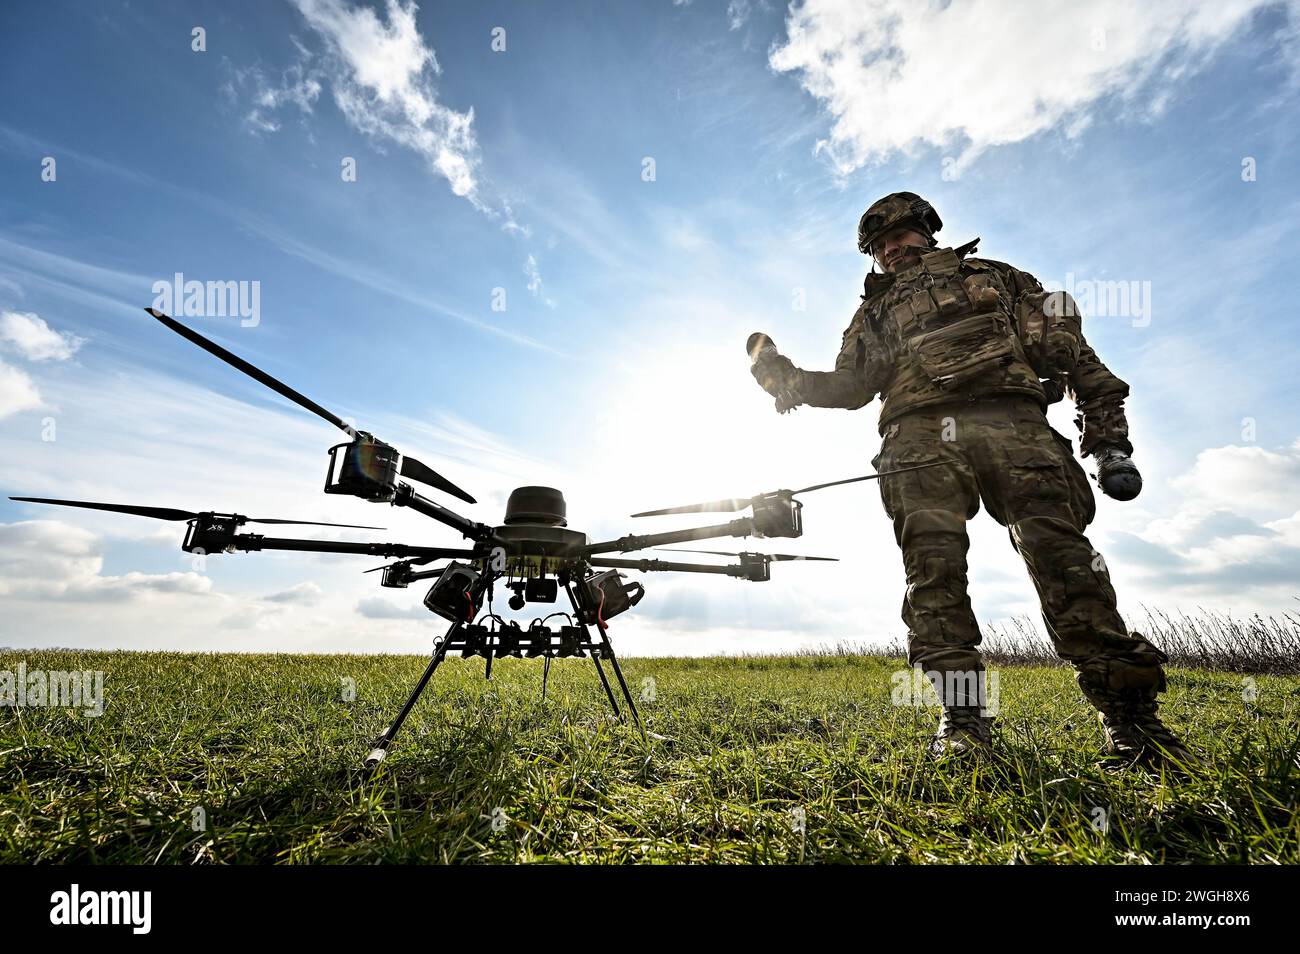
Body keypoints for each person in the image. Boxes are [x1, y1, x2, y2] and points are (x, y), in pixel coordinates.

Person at [749, 192, 1194, 767]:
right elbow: (851, 387)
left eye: (902, 236)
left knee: (1065, 560)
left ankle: (1133, 723)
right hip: (919, 438)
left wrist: (1108, 440)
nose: (892, 249)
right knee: (932, 575)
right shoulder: (874, 313)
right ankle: (963, 723)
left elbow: (1075, 355)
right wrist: (784, 377)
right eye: (880, 246)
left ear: (928, 232)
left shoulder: (998, 277)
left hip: (1015, 424)